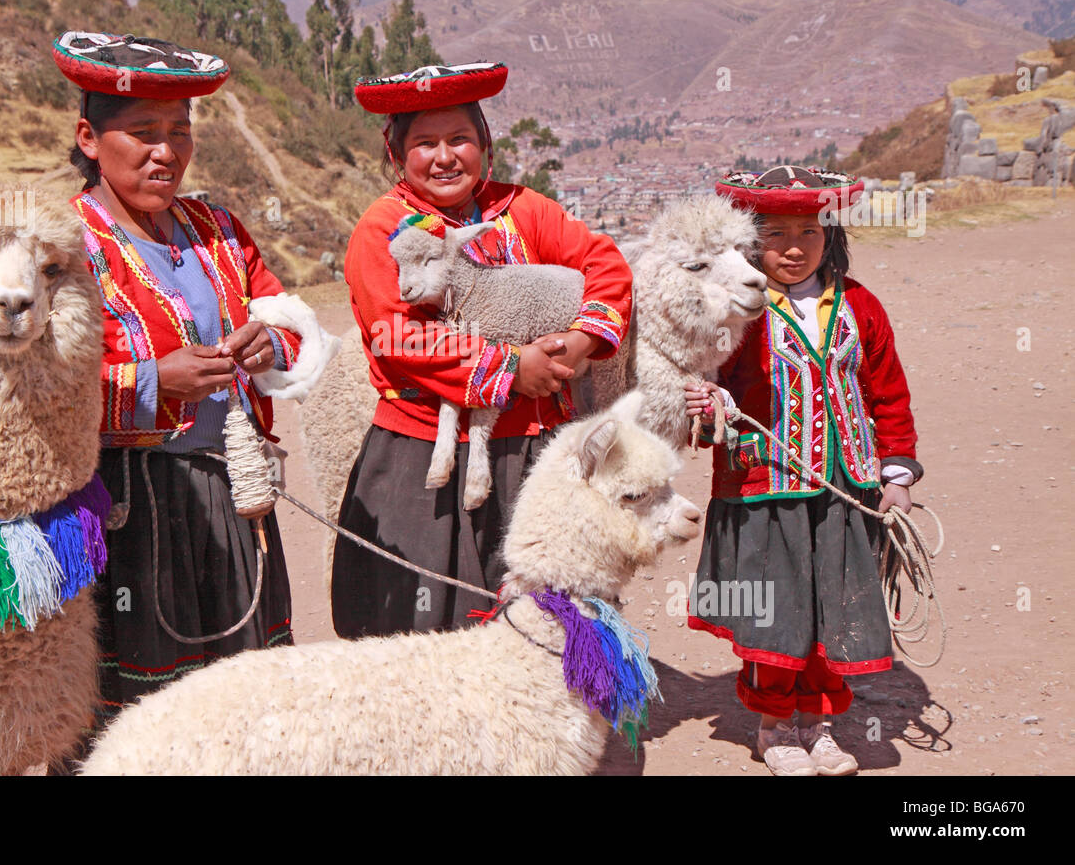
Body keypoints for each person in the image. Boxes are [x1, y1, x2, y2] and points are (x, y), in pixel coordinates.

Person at [52, 31, 310, 719]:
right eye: (143, 132)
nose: (167, 151)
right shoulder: (60, 245)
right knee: (137, 711)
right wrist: (150, 381)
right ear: (88, 137)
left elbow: (289, 318)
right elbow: (36, 388)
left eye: (180, 130)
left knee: (240, 698)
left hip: (234, 493)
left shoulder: (217, 228)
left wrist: (271, 345)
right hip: (125, 509)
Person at [331, 62, 633, 638]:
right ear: (396, 154)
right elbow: (399, 337)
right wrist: (516, 368)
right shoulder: (384, 229)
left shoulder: (522, 209)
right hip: (423, 455)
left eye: (459, 139)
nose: (445, 157)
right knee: (425, 624)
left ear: (485, 144)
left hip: (535, 449)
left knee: (546, 607)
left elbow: (604, 263)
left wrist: (580, 340)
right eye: (424, 143)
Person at [685, 165, 923, 776]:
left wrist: (894, 474)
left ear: (831, 235)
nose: (793, 247)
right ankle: (774, 727)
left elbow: (888, 394)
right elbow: (709, 394)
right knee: (775, 611)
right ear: (748, 240)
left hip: (847, 490)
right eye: (775, 233)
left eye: (809, 232)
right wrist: (703, 409)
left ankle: (818, 725)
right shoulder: (735, 310)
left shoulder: (860, 304)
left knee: (831, 607)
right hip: (765, 491)